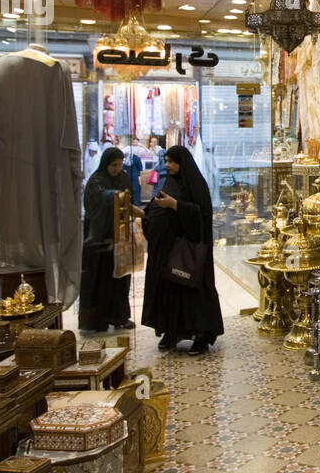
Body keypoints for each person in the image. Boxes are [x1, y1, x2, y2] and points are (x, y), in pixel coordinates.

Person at [141, 145, 224, 355]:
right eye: (166, 161)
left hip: (191, 251)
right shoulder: (169, 182)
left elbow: (201, 214)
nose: (168, 165)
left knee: (194, 293)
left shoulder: (196, 185)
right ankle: (172, 332)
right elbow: (158, 209)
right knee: (171, 292)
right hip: (170, 251)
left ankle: (201, 336)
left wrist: (175, 205)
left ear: (182, 162)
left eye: (172, 161)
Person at [79, 148, 141, 333]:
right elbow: (97, 200)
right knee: (101, 281)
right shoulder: (96, 180)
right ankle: (98, 321)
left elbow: (131, 198)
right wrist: (116, 196)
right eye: (113, 165)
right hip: (100, 241)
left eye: (119, 165)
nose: (116, 168)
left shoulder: (123, 177)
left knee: (120, 280)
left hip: (119, 238)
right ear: (106, 164)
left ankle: (120, 317)